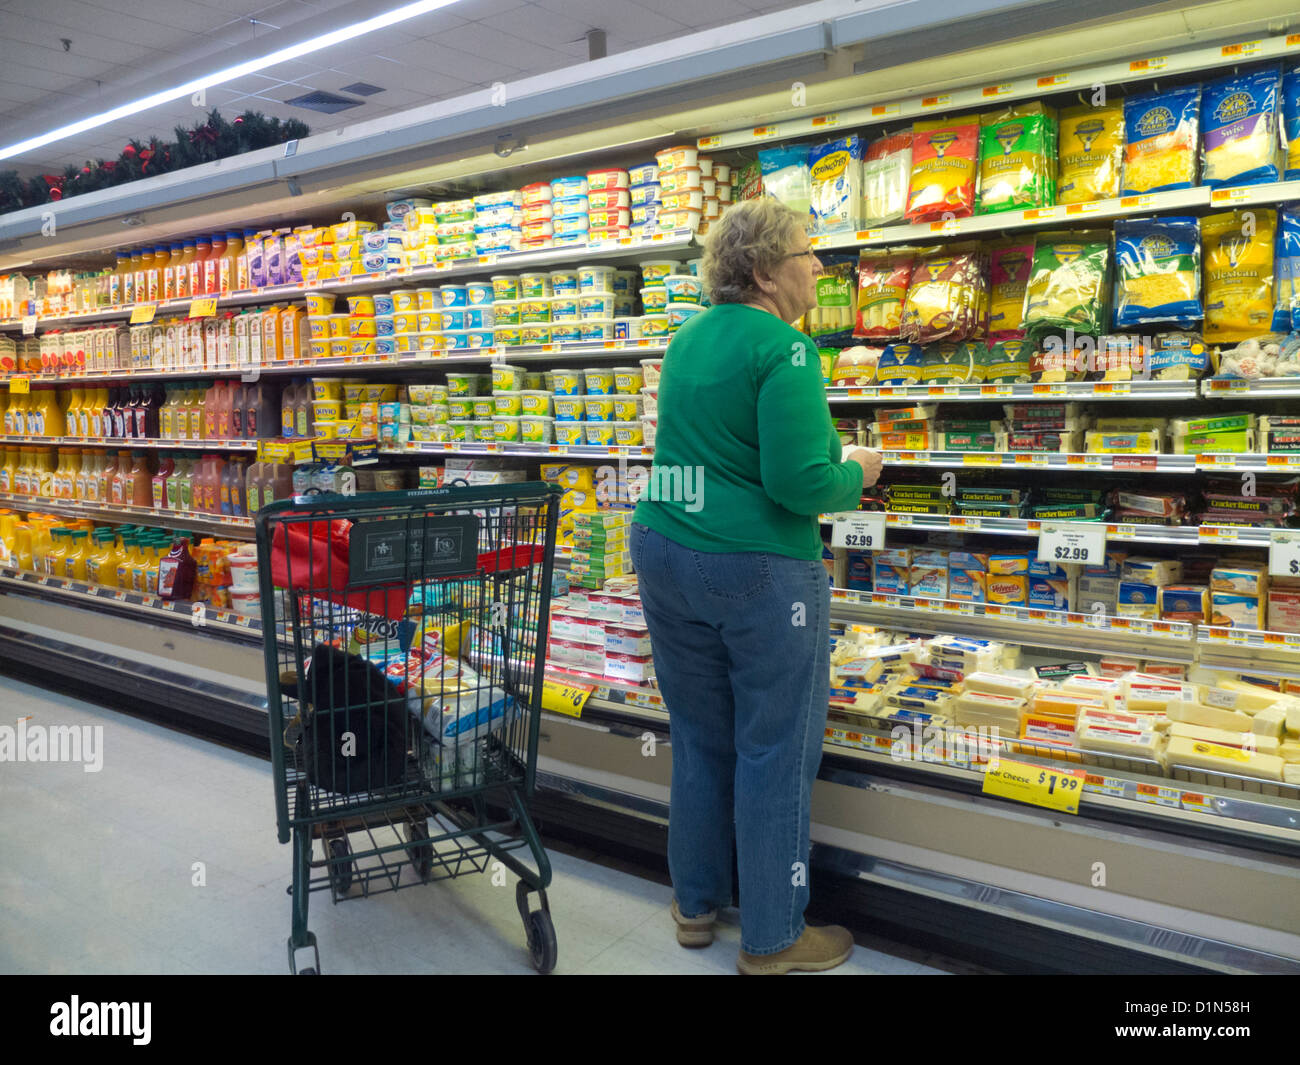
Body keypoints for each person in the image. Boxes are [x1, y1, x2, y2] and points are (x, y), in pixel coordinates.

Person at [630, 197, 883, 975]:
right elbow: (801, 482)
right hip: (759, 571)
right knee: (776, 747)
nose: (818, 266)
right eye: (807, 253)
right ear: (767, 271)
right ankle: (774, 935)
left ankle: (696, 904)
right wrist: (861, 471)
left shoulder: (688, 337)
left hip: (664, 549)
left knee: (701, 737)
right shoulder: (787, 351)